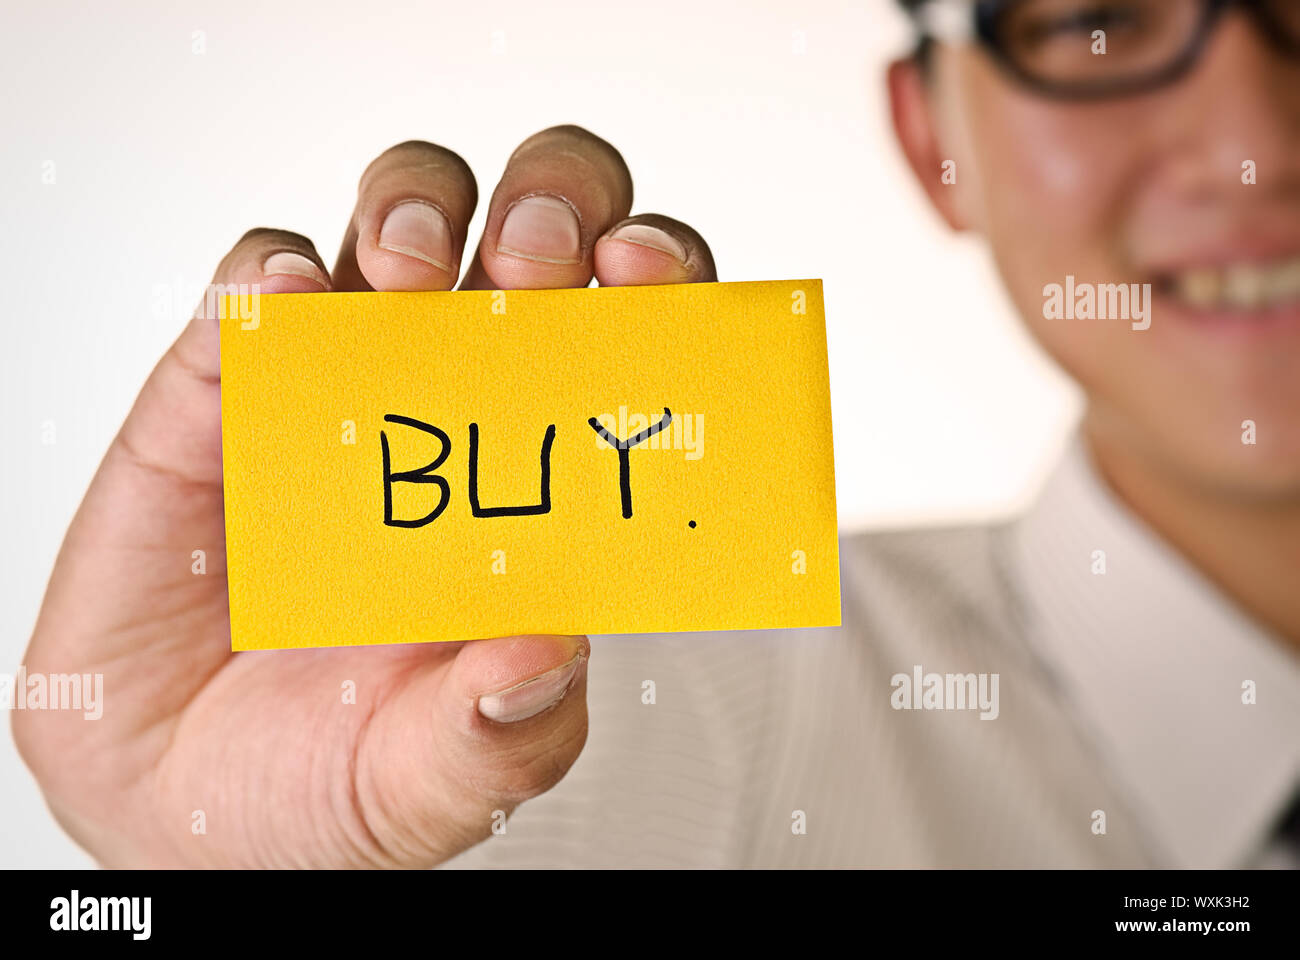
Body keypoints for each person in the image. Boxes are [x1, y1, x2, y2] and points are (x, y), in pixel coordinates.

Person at [13, 0, 1300, 868]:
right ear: (931, 141)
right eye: (1094, 15)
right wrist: (177, 834)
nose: (1258, 145)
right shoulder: (716, 727)